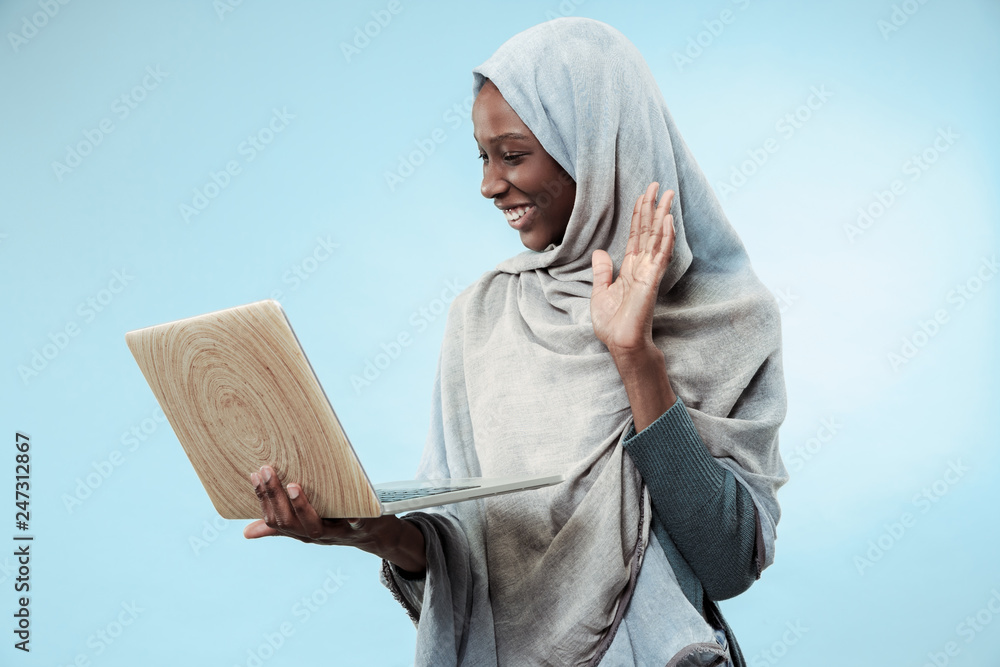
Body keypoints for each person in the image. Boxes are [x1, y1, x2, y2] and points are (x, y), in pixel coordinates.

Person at [243, 17, 788, 667]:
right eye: (483, 155)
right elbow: (470, 565)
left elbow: (726, 561)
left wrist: (635, 356)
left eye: (513, 153)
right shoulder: (482, 315)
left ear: (592, 145)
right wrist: (375, 532)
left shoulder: (723, 313)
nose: (489, 184)